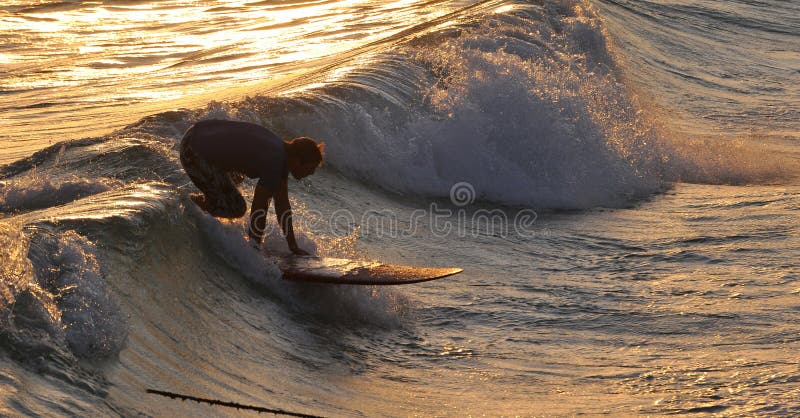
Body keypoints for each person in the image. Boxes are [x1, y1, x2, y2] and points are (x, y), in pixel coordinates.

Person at [179, 119, 323, 255]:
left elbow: (282, 205)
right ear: (297, 161)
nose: (311, 173)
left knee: (236, 180)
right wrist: (254, 250)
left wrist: (293, 246)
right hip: (194, 149)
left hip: (199, 134)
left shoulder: (281, 155)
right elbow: (259, 207)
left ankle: (205, 205)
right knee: (236, 207)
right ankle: (188, 204)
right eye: (310, 168)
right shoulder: (275, 161)